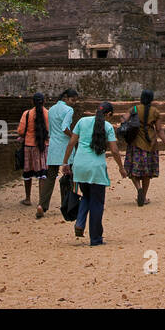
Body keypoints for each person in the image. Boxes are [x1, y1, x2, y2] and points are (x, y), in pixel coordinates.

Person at [64, 102, 126, 245]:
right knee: (97, 203)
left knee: (86, 195)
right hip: (96, 169)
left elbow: (71, 143)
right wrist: (121, 168)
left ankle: (80, 222)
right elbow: (115, 151)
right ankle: (96, 238)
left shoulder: (82, 121)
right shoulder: (108, 127)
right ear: (109, 114)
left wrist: (65, 162)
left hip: (79, 166)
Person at [123, 89, 165, 207]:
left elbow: (124, 119)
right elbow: (159, 130)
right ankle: (143, 197)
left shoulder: (134, 109)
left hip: (135, 143)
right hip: (150, 145)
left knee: (132, 169)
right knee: (147, 173)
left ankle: (138, 188)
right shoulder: (155, 111)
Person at [38, 88, 78, 219]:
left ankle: (42, 205)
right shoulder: (68, 110)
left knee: (50, 177)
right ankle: (68, 204)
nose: (74, 103)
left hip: (54, 146)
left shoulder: (52, 109)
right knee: (70, 174)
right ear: (66, 98)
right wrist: (73, 136)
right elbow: (64, 127)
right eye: (73, 100)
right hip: (65, 146)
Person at [16, 92, 50, 206]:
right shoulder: (48, 114)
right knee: (42, 173)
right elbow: (50, 130)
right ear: (44, 101)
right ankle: (41, 200)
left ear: (32, 102)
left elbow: (20, 131)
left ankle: (28, 198)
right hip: (42, 146)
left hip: (29, 146)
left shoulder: (27, 114)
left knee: (28, 173)